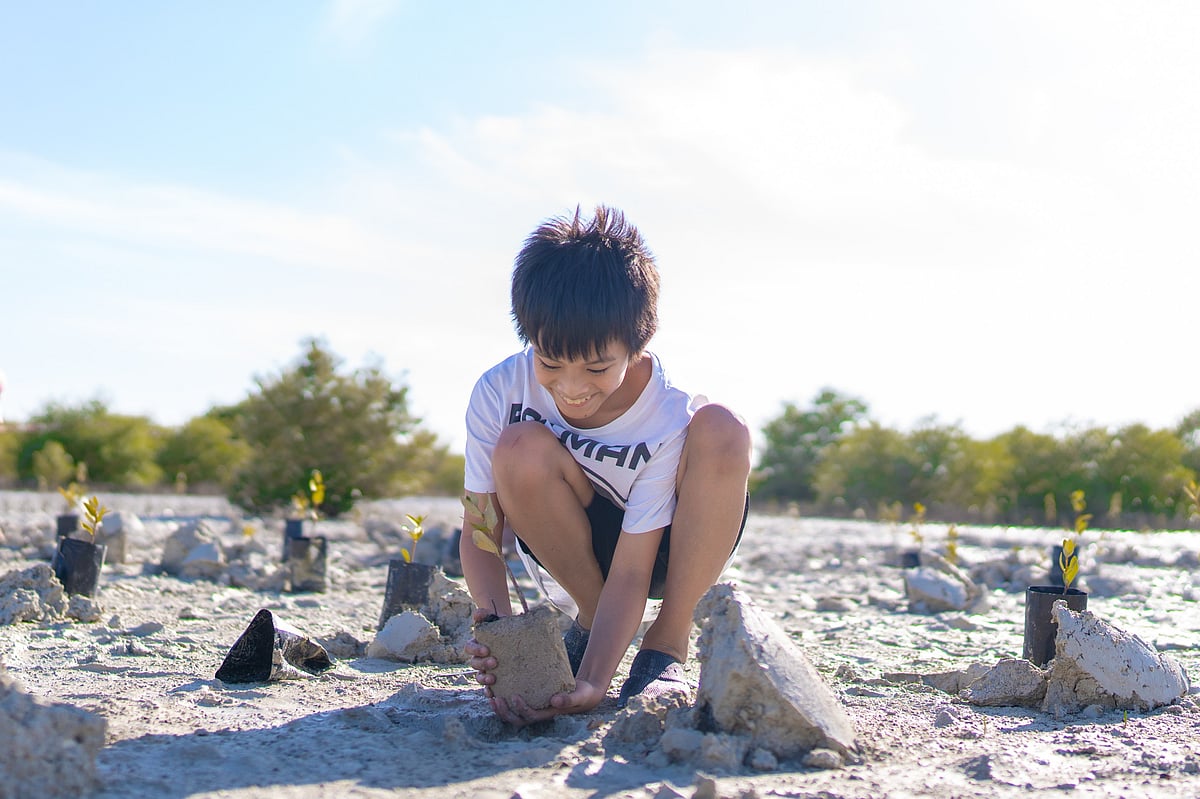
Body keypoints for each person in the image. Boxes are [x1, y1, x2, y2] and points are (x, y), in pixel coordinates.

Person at [460, 205, 751, 725]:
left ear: (637, 348)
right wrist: (496, 631)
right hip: (574, 547)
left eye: (596, 367)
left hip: (666, 547)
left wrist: (596, 679)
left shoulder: (665, 415)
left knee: (723, 428)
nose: (572, 388)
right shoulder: (499, 390)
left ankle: (666, 644)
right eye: (550, 363)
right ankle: (591, 620)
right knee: (519, 447)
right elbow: (481, 531)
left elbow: (635, 569)